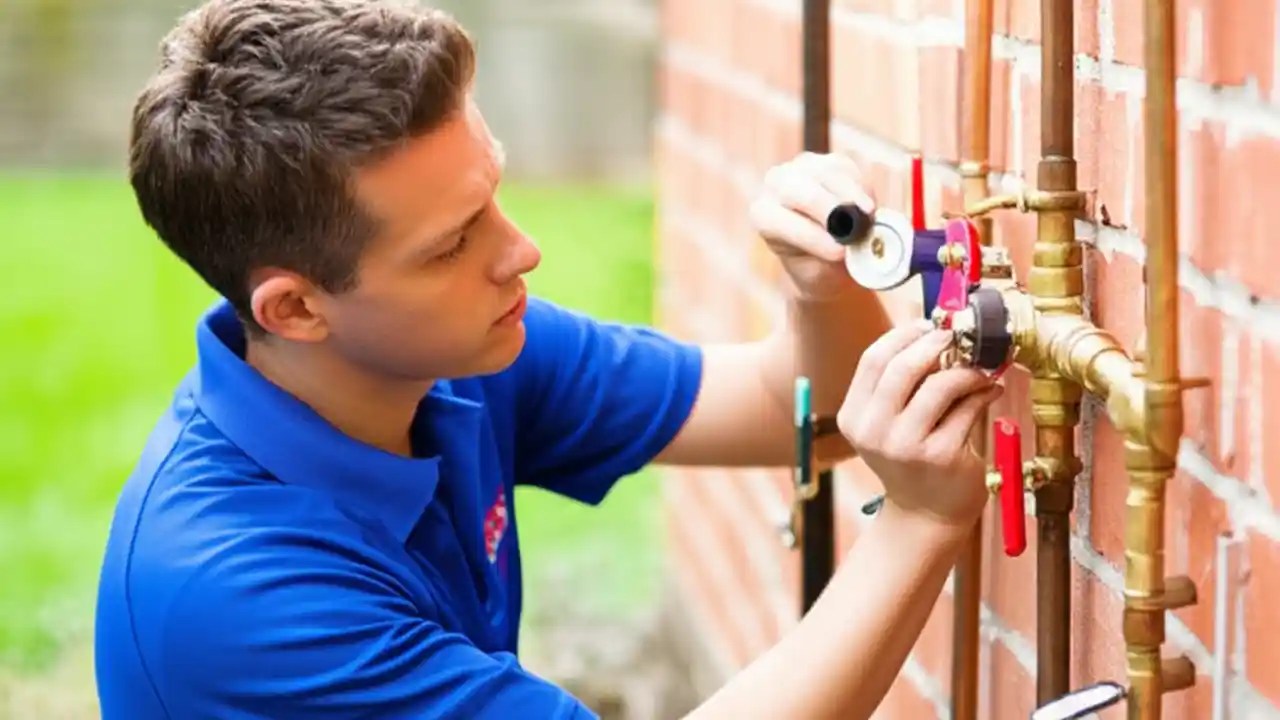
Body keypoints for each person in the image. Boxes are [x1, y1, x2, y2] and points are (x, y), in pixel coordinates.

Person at [93, 1, 1004, 718]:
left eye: (493, 193)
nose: (520, 250)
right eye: (452, 244)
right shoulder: (242, 601)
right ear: (295, 308)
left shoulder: (445, 360)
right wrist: (918, 526)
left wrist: (818, 287)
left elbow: (802, 413)